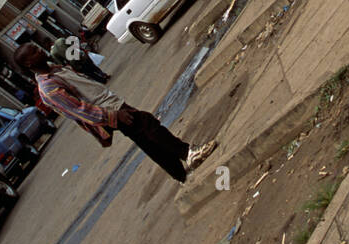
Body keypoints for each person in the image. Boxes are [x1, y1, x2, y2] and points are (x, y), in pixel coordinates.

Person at [14, 42, 215, 183]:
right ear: (29, 64)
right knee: (147, 124)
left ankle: (180, 174)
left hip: (110, 102)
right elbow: (78, 110)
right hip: (107, 111)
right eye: (33, 51)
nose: (38, 49)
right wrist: (112, 116)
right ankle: (187, 153)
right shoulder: (48, 88)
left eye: (35, 47)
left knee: (145, 139)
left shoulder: (54, 68)